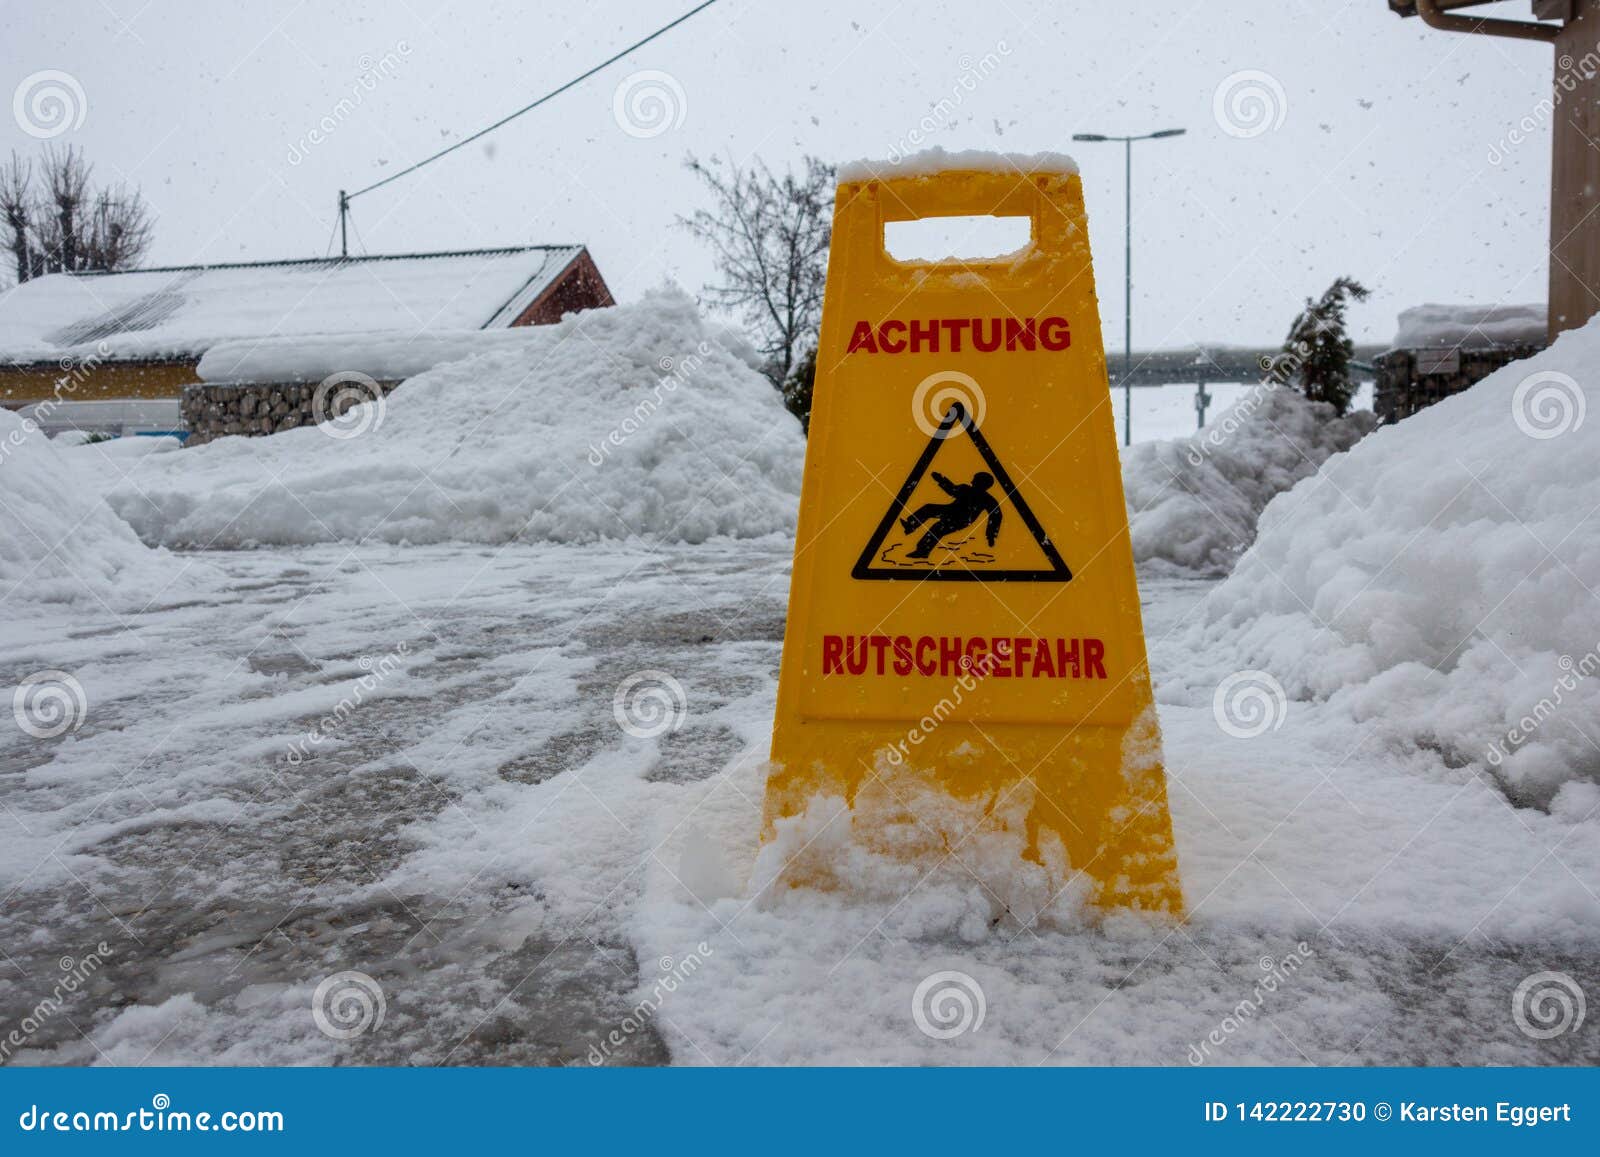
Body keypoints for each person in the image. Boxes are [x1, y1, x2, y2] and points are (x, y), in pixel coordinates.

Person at [900, 471, 1002, 559]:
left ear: (981, 483)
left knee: (937, 528)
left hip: (961, 520)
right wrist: (940, 480)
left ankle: (922, 551)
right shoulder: (966, 489)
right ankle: (911, 525)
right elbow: (952, 490)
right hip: (950, 511)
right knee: (929, 508)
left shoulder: (987, 499)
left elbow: (996, 516)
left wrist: (991, 536)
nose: (971, 481)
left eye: (974, 480)